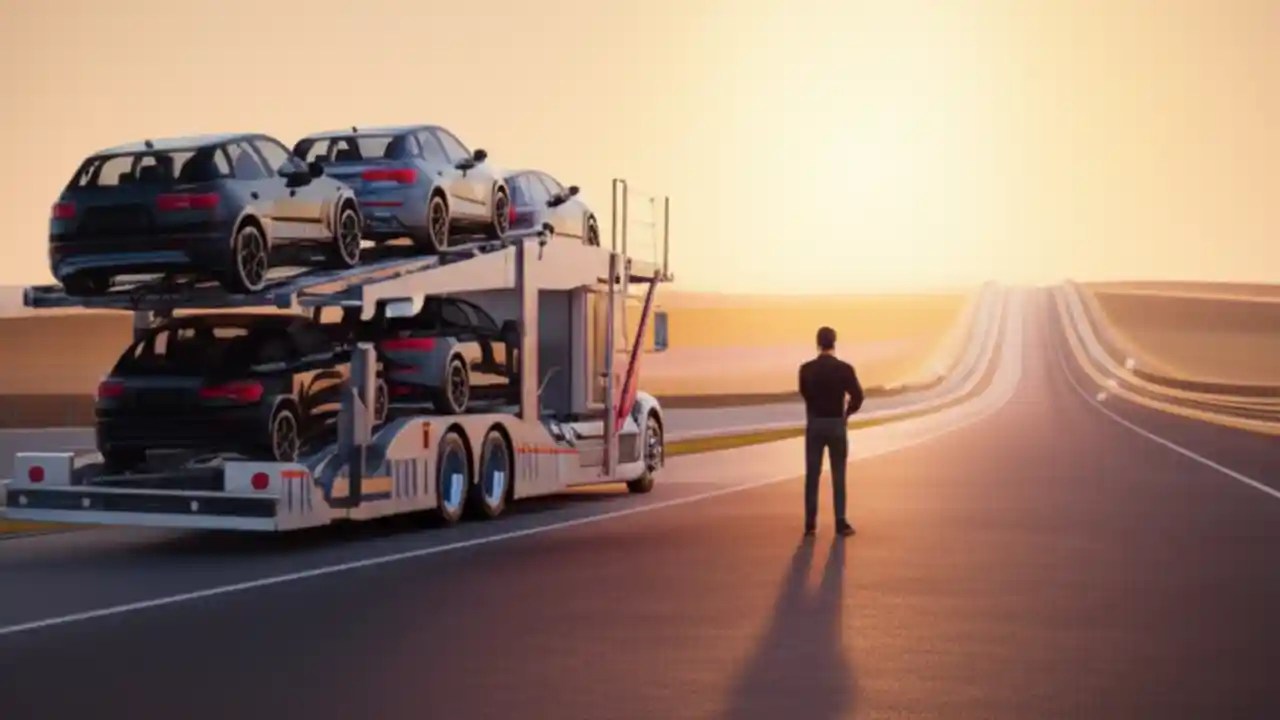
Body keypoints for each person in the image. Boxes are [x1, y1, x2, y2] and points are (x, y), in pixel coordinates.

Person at [798, 326, 864, 537]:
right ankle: (840, 521)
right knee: (838, 474)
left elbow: (805, 394)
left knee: (812, 474)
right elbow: (858, 396)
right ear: (834, 343)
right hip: (836, 423)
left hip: (815, 423)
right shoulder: (844, 368)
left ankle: (810, 523)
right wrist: (846, 413)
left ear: (818, 343)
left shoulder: (806, 369)